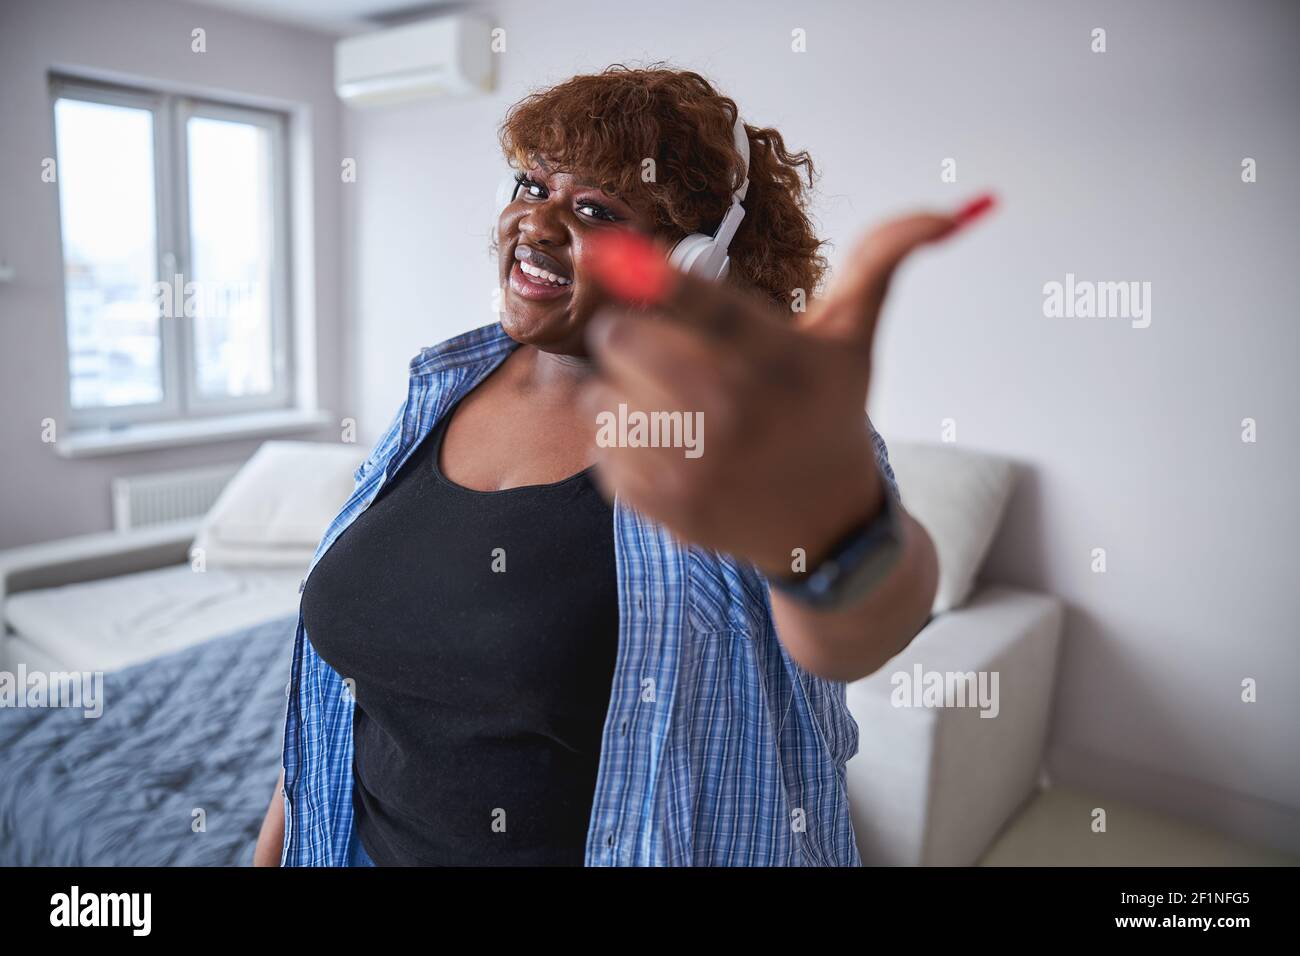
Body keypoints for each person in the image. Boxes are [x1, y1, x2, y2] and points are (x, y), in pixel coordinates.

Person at [255, 64, 988, 867]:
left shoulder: (734, 436)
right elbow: (333, 703)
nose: (535, 223)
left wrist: (830, 525)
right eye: (529, 185)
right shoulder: (439, 386)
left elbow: (856, 635)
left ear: (697, 261)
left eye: (595, 210)